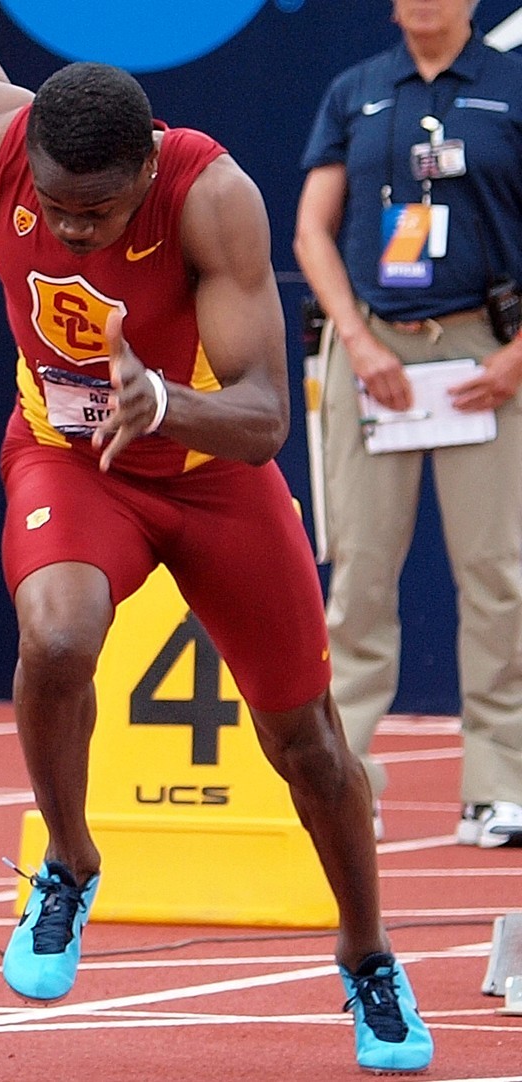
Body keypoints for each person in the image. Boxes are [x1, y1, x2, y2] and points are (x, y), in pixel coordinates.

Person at [0, 24, 432, 1072]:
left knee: (307, 743)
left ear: (145, 168)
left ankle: (367, 952)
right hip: (70, 460)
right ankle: (67, 860)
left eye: (96, 212)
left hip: (209, 473)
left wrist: (164, 402)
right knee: (56, 638)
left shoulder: (210, 196)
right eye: (56, 205)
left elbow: (263, 418)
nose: (70, 228)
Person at [294, 0, 522, 850]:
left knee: (498, 576)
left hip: (485, 352)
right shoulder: (356, 90)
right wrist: (356, 342)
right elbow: (312, 230)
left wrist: (517, 356)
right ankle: (343, 776)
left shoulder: (511, 87)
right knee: (359, 573)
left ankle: (499, 784)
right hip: (372, 350)